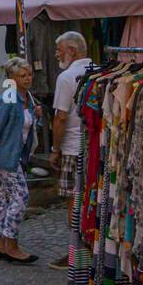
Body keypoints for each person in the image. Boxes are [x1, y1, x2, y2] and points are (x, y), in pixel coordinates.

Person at [0, 57, 42, 264]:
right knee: (21, 197)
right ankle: (11, 245)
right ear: (12, 79)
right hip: (7, 158)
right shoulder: (7, 100)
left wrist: (36, 114)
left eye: (29, 74)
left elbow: (24, 126)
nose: (27, 79)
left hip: (17, 157)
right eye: (22, 76)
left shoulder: (28, 99)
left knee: (4, 199)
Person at [49, 31, 91, 269]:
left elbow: (60, 117)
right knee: (92, 200)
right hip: (96, 147)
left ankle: (77, 254)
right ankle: (92, 250)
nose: (56, 54)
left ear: (72, 51)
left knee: (73, 202)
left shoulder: (67, 77)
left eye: (59, 50)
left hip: (73, 148)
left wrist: (55, 149)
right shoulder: (98, 70)